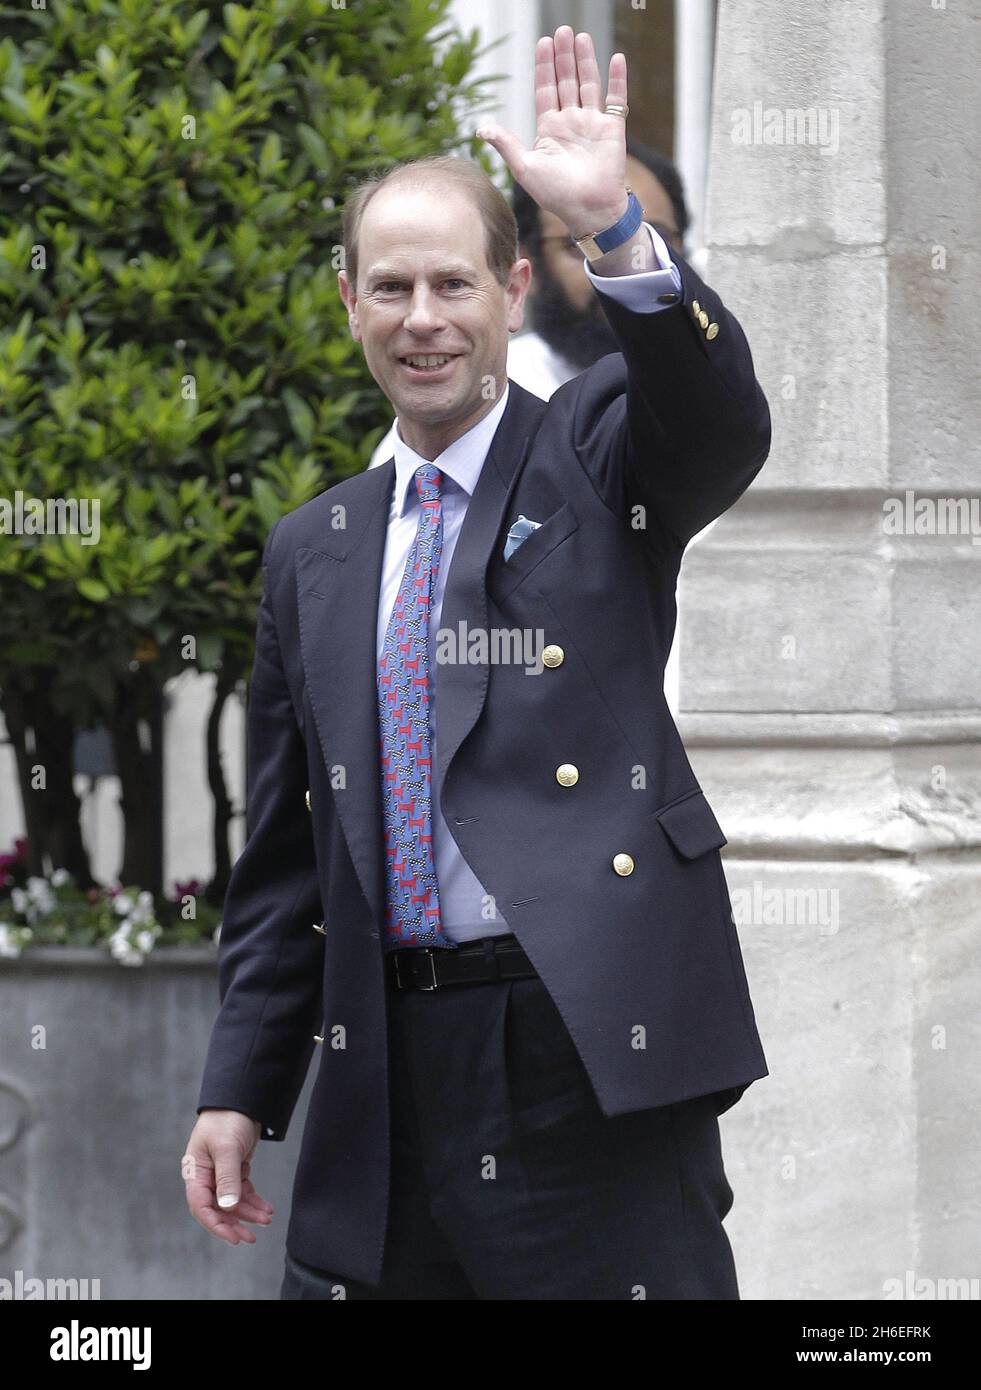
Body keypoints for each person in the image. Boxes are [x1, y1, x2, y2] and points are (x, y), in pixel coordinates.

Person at [186, 25, 770, 1300]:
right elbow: (293, 860)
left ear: (513, 291)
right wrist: (240, 1087)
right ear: (348, 303)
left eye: (453, 285)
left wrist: (615, 227)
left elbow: (720, 423)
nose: (422, 320)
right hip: (380, 1064)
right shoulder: (313, 548)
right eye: (390, 289)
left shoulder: (597, 452)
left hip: (579, 1045)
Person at [366, 142, 690, 467]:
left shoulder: (715, 383)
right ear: (528, 265)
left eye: (646, 240)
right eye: (584, 245)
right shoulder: (480, 393)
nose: (618, 266)